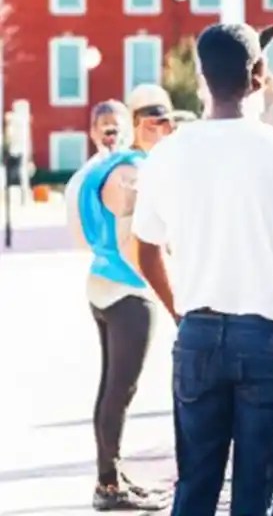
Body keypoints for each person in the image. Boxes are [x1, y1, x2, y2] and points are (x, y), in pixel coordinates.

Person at [131, 23, 273, 514]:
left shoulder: (167, 154)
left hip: (199, 333)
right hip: (269, 338)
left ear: (201, 77)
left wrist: (181, 312)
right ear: (258, 76)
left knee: (195, 486)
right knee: (257, 491)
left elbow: (145, 250)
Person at [64, 87, 176, 511]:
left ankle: (111, 475)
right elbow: (143, 236)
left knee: (111, 387)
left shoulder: (96, 170)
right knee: (120, 390)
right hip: (130, 290)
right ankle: (109, 487)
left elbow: (83, 233)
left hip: (101, 281)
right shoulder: (132, 170)